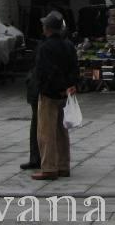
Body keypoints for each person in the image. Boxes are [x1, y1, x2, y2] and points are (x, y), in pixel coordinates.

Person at [32, 11, 78, 181]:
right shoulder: (69, 45)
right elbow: (74, 68)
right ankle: (63, 165)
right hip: (65, 94)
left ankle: (49, 167)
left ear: (48, 29)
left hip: (49, 94)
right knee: (62, 131)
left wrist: (47, 88)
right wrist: (69, 85)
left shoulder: (45, 47)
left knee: (46, 132)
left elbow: (45, 72)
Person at [21, 66, 41, 170]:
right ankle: (37, 159)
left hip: (43, 89)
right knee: (37, 124)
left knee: (39, 125)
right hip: (42, 86)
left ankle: (40, 160)